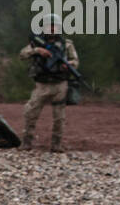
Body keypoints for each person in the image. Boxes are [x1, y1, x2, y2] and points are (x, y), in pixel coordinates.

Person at [18, 13, 78, 153]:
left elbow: (75, 61)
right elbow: (22, 54)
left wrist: (68, 64)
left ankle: (56, 145)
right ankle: (26, 142)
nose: (52, 29)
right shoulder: (36, 43)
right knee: (30, 113)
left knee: (59, 117)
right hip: (42, 84)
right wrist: (37, 51)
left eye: (54, 26)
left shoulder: (66, 44)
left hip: (60, 84)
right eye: (49, 26)